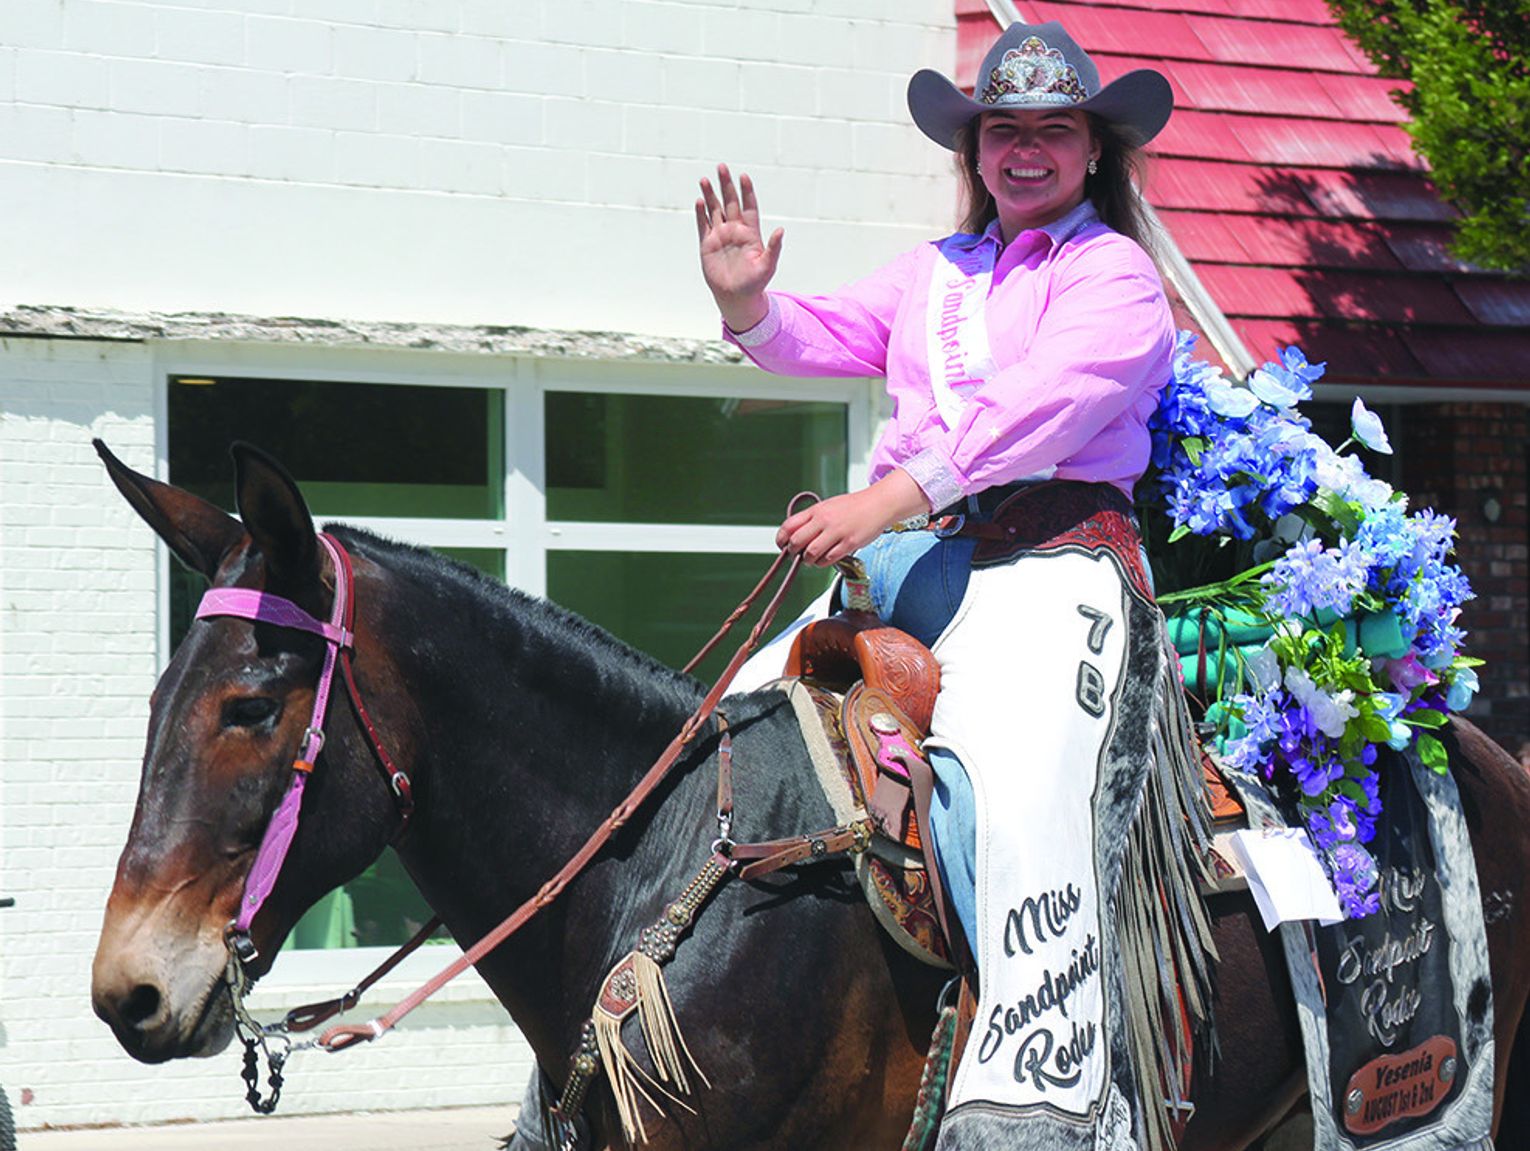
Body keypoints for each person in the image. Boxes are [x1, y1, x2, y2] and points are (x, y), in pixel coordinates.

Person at [699, 21, 1209, 1151]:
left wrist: (884, 500)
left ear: (1094, 149)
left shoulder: (1115, 273)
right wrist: (747, 306)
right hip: (916, 561)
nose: (1025, 150)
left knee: (1019, 780)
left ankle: (1040, 1091)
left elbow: (1041, 407)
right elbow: (818, 335)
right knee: (727, 726)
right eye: (1003, 131)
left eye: (1053, 131)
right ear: (975, 150)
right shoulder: (937, 271)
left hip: (1058, 561)